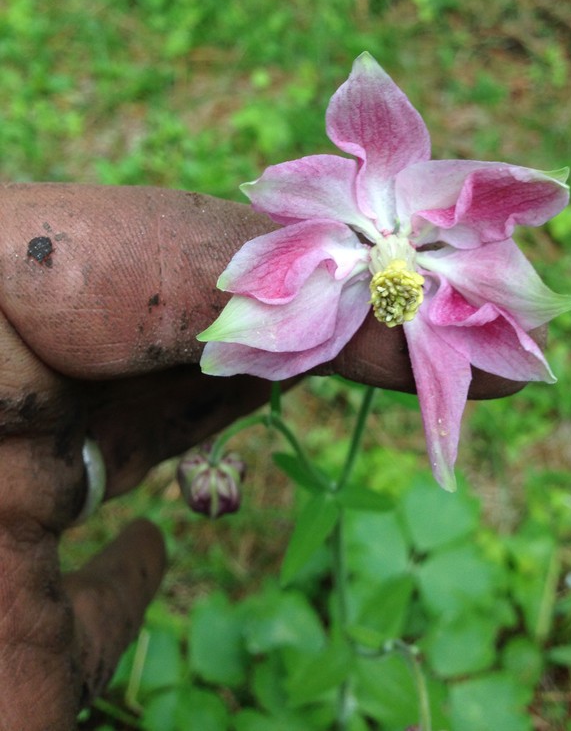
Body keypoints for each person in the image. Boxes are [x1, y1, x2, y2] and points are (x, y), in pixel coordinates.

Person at [0, 183, 528, 731]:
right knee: (241, 334)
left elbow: (523, 256)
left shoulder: (420, 280)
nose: (397, 288)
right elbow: (263, 249)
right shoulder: (341, 249)